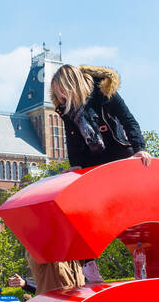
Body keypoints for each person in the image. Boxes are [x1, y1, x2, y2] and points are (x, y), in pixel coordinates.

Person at [50, 64, 151, 283]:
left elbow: (128, 120)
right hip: (91, 159)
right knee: (84, 210)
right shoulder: (67, 108)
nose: (60, 96)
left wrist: (139, 147)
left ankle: (140, 257)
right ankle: (89, 264)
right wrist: (75, 164)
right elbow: (72, 137)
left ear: (72, 84)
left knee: (126, 208)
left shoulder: (104, 92)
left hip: (117, 152)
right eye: (57, 93)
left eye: (62, 90)